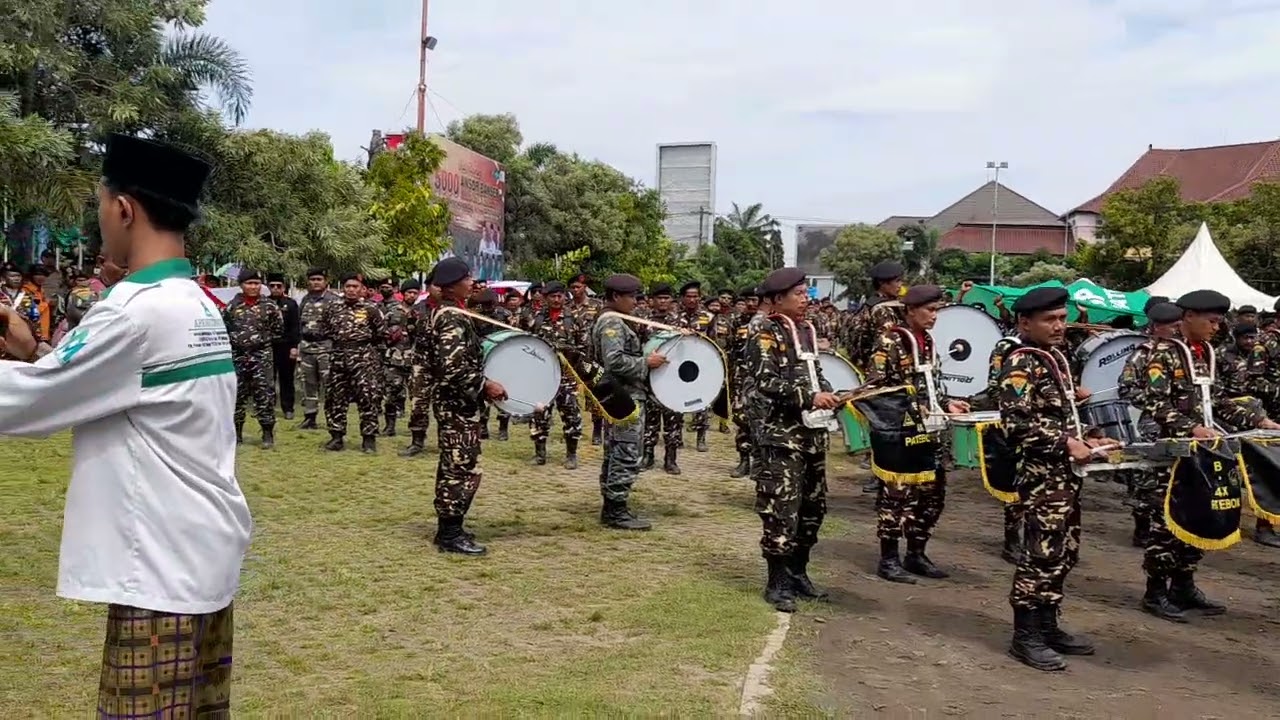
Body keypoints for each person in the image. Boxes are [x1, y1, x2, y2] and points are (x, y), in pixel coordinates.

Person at [0, 133, 251, 715]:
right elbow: (111, 386)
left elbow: (33, 404)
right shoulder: (191, 303)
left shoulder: (137, 311)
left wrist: (38, 366)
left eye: (99, 205)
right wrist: (37, 350)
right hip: (196, 555)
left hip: (159, 567)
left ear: (124, 208)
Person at [1139, 289, 1280, 621]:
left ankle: (1183, 586)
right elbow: (1154, 402)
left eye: (1219, 322)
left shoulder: (1203, 354)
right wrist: (1192, 428)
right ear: (1189, 317)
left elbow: (1218, 401)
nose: (1218, 327)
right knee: (1166, 522)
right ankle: (1155, 591)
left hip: (1204, 450)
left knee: (1199, 515)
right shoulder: (1164, 354)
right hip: (1173, 451)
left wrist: (1260, 421)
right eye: (1212, 321)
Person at [996, 286, 1098, 671]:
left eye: (1062, 317)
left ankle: (1048, 624)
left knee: (1064, 552)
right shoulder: (1021, 363)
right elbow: (1015, 425)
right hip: (1042, 479)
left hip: (1065, 477)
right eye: (1049, 320)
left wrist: (1088, 436)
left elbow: (1060, 414)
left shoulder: (1056, 358)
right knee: (1039, 555)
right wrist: (1066, 442)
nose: (1059, 326)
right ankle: (1025, 636)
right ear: (1025, 323)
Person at [746, 267, 839, 613]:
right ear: (775, 300)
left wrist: (829, 394)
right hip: (782, 438)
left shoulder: (806, 331)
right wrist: (809, 397)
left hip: (812, 436)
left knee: (814, 509)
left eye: (806, 294)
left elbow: (816, 375)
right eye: (798, 294)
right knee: (781, 509)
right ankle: (777, 581)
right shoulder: (764, 333)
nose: (805, 300)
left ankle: (799, 572)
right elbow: (765, 382)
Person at [865, 284, 969, 583]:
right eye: (930, 310)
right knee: (895, 498)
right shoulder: (890, 342)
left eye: (937, 310)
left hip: (930, 434)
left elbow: (932, 385)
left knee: (932, 497)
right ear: (910, 310)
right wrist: (916, 407)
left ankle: (916, 553)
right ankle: (888, 559)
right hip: (900, 434)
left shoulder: (929, 342)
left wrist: (947, 402)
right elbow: (878, 389)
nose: (935, 316)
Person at [429, 257, 506, 555]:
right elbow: (452, 368)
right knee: (461, 467)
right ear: (452, 285)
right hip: (456, 405)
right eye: (467, 277)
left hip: (459, 404)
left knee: (455, 464)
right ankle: (450, 534)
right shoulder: (451, 317)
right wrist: (485, 385)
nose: (472, 282)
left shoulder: (457, 312)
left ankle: (449, 527)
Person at [593, 273, 664, 530]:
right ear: (615, 297)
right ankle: (615, 510)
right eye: (631, 296)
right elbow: (614, 361)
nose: (636, 301)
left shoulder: (619, 319)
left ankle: (613, 505)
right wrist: (646, 363)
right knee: (626, 450)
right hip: (624, 396)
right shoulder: (612, 322)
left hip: (624, 395)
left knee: (617, 449)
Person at [320, 273, 386, 453]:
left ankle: (369, 438)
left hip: (363, 357)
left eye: (355, 287)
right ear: (343, 288)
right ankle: (336, 436)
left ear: (362, 289)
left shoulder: (371, 308)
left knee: (368, 397)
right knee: (335, 398)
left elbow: (380, 333)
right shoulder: (332, 307)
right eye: (348, 286)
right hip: (338, 356)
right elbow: (325, 329)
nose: (351, 290)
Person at [223, 269, 283, 448]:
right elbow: (225, 328)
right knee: (237, 395)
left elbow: (278, 330)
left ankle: (267, 433)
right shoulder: (231, 306)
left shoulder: (270, 306)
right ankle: (237, 433)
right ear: (241, 285)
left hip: (261, 356)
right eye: (249, 283)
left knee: (264, 394)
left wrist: (260, 342)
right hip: (238, 356)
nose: (253, 287)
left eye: (256, 283)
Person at [528, 281, 585, 469]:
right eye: (552, 296)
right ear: (545, 298)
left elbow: (584, 347)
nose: (556, 299)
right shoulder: (536, 319)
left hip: (566, 376)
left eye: (560, 296)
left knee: (571, 416)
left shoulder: (573, 318)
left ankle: (571, 454)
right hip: (541, 376)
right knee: (539, 415)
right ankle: (540, 453)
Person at [641, 283, 684, 474]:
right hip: (649, 377)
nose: (663, 301)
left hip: (674, 378)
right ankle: (648, 455)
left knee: (673, 420)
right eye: (660, 298)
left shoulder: (679, 322)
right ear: (652, 300)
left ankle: (671, 459)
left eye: (667, 298)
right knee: (650, 420)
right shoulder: (643, 321)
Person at [297, 267, 340, 430]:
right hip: (307, 348)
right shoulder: (305, 300)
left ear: (326, 281)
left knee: (330, 384)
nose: (315, 282)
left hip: (326, 348)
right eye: (312, 279)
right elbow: (300, 325)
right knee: (308, 384)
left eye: (319, 279)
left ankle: (333, 417)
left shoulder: (334, 300)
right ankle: (310, 416)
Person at [676, 281, 715, 452]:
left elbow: (714, 342)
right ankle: (676, 436)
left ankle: (701, 438)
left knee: (701, 402)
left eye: (695, 296)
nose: (692, 299)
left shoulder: (708, 317)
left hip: (701, 364)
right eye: (689, 296)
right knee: (677, 401)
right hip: (678, 364)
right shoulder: (674, 317)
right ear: (682, 298)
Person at [568, 274, 606, 445]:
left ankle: (597, 429)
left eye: (578, 287)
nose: (576, 290)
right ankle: (572, 426)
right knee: (569, 392)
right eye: (573, 287)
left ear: (585, 288)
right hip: (571, 355)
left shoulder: (597, 306)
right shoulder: (566, 307)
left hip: (591, 354)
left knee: (593, 393)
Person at [382, 279, 420, 438]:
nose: (412, 295)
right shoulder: (392, 311)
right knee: (391, 393)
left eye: (415, 293)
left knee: (416, 396)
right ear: (403, 294)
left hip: (414, 360)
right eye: (409, 292)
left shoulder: (420, 313)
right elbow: (382, 332)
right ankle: (389, 426)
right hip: (394, 359)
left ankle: (416, 428)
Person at [267, 272, 300, 420]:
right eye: (272, 286)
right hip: (268, 346)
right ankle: (268, 407)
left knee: (286, 379)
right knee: (268, 378)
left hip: (286, 347)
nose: (275, 288)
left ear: (284, 287)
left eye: (278, 286)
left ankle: (288, 408)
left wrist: (294, 346)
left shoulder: (291, 304)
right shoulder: (264, 303)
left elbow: (295, 326)